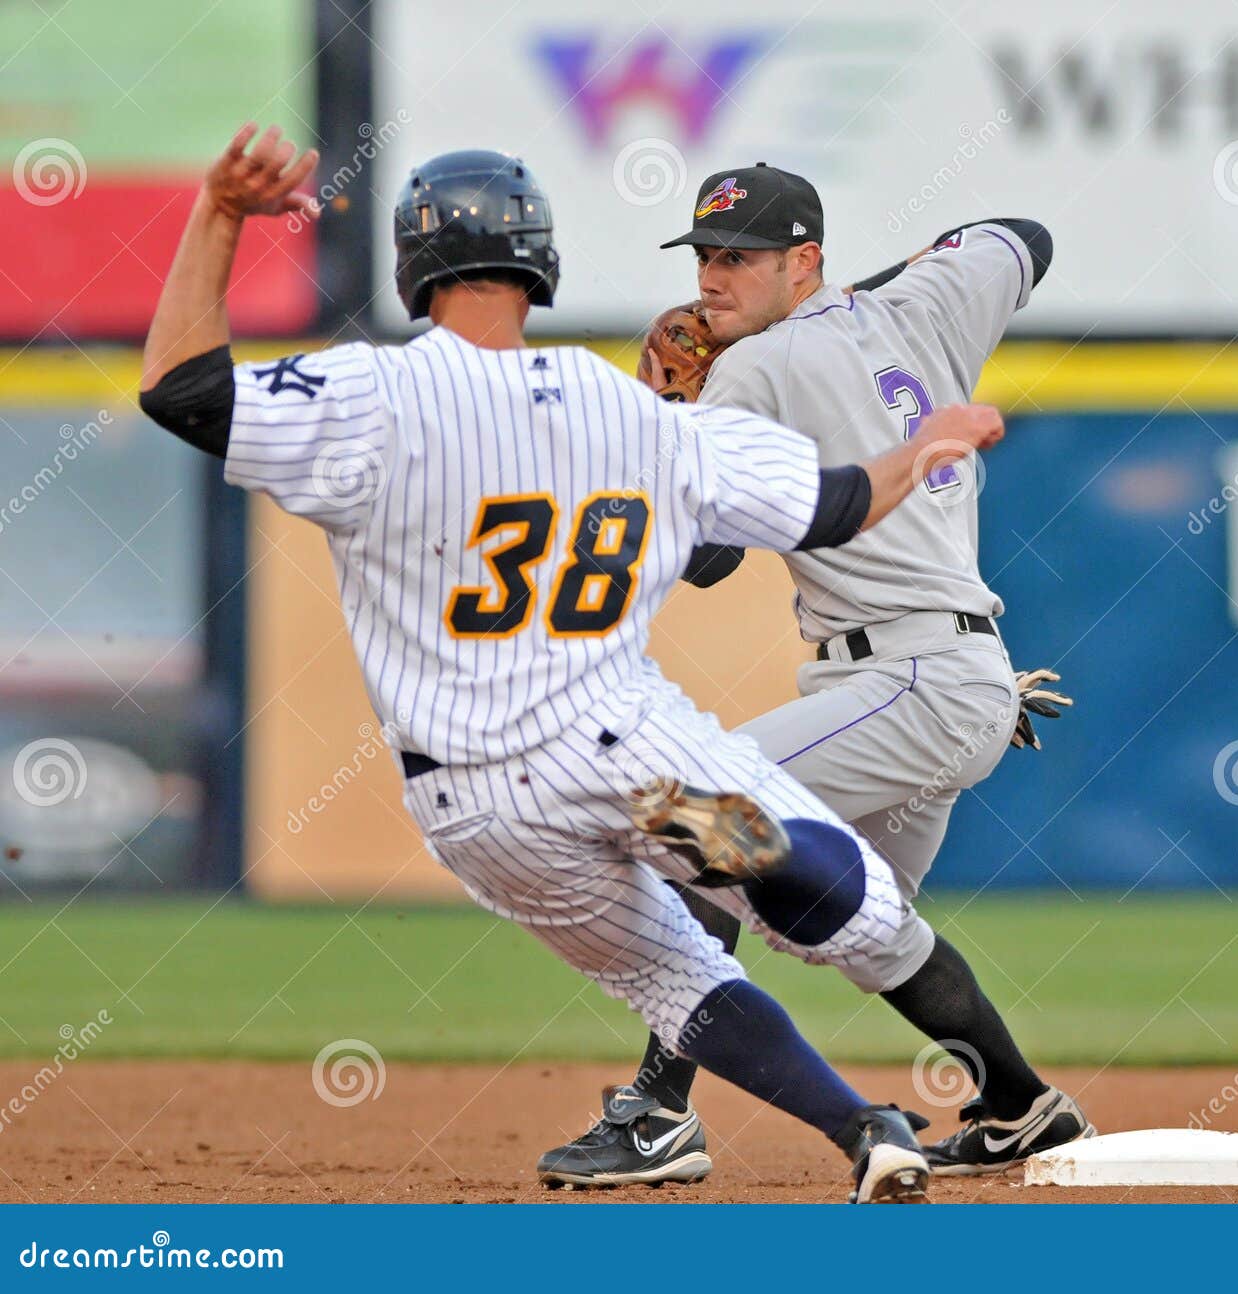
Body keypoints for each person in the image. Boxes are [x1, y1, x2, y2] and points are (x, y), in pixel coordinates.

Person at [137, 125, 1007, 1202]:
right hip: (641, 766)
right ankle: (979, 1097)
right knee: (843, 900)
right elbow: (829, 506)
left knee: (677, 979)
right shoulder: (623, 408)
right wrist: (919, 453)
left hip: (481, 812)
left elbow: (182, 390)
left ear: (413, 271)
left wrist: (221, 214)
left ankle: (859, 1122)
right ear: (539, 263)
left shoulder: (369, 395)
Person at [537, 164, 1091, 1188]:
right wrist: (867, 295)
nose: (714, 276)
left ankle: (656, 1114)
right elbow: (1024, 232)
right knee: (864, 931)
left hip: (912, 678)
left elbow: (699, 560)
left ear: (802, 261)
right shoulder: (925, 304)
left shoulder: (753, 369)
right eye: (705, 255)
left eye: (741, 255)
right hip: (944, 676)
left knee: (693, 819)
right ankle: (1021, 1106)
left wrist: (675, 407)